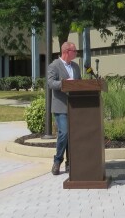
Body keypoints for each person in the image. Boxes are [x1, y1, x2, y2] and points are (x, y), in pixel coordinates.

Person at [47, 41, 79, 175]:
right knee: (64, 133)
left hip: (75, 107)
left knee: (71, 136)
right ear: (66, 52)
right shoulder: (54, 65)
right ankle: (57, 160)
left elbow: (80, 83)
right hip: (61, 106)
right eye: (74, 51)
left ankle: (70, 163)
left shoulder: (76, 67)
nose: (76, 53)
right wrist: (65, 84)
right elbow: (50, 83)